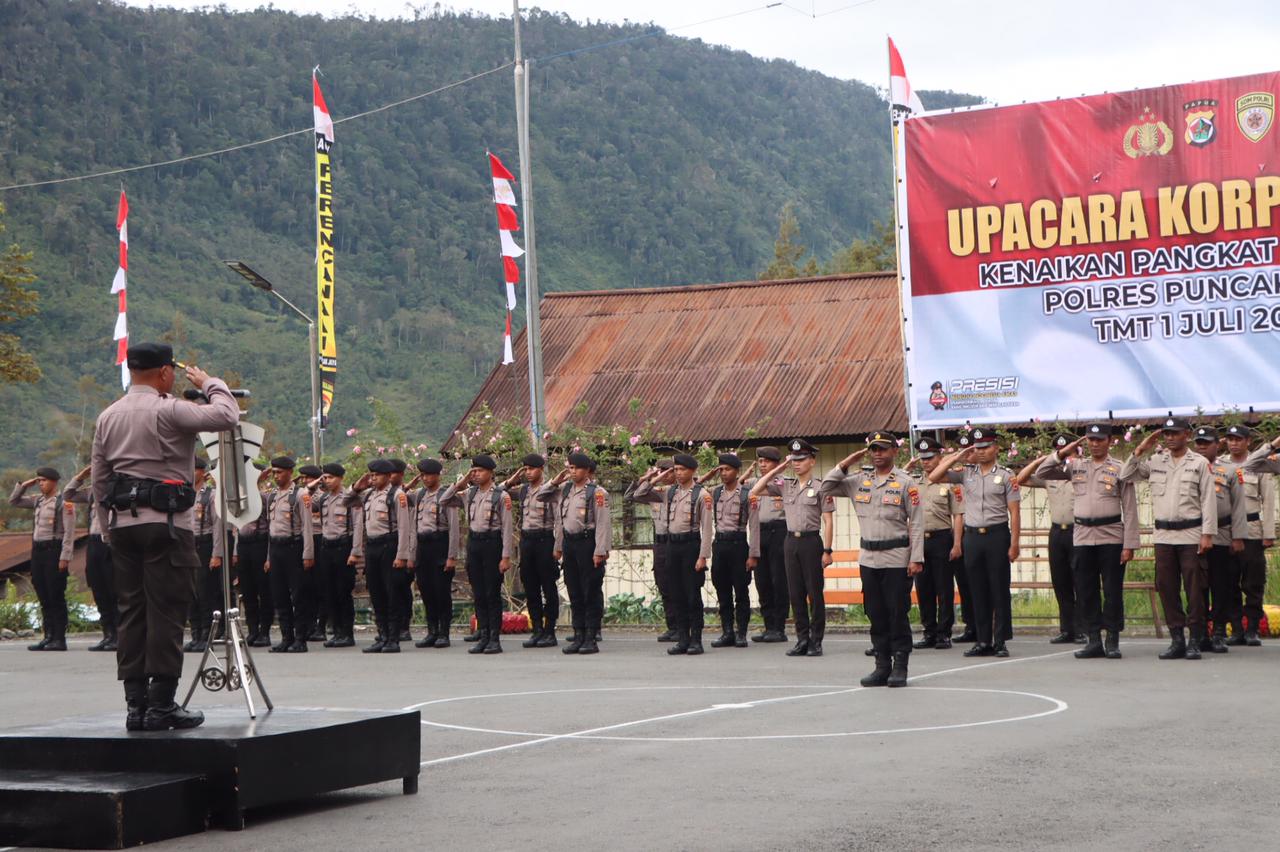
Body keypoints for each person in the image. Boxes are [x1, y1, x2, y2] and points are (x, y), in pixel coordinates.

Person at [91, 342, 239, 730]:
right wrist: (210, 383)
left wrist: (107, 530)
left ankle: (135, 707)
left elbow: (99, 480)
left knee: (131, 613)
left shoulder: (108, 416)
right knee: (167, 613)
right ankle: (160, 706)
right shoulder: (170, 408)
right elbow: (227, 415)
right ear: (163, 372)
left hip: (123, 527)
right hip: (167, 526)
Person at [822, 432, 924, 687]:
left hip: (896, 558)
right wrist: (847, 462)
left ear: (894, 452)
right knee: (875, 612)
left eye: (882, 449)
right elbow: (825, 487)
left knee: (896, 613)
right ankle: (881, 665)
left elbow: (917, 523)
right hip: (869, 558)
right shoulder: (859, 481)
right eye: (873, 449)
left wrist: (916, 558)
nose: (877, 454)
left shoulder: (905, 482)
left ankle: (900, 665)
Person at [1034, 424, 1139, 659]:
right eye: (1091, 439)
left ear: (1109, 440)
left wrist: (1129, 544)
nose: (1095, 443)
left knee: (1112, 591)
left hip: (1111, 536)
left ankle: (1112, 639)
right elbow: (1042, 472)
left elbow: (1130, 508)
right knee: (1086, 590)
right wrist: (1062, 452)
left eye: (1099, 439)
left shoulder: (1119, 468)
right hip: (1082, 537)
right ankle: (1093, 639)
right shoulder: (1076, 466)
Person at [1119, 418, 1216, 660]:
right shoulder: (1155, 461)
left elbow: (1208, 500)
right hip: (1163, 536)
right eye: (1167, 434)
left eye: (1175, 433)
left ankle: (1195, 639)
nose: (1170, 438)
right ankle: (1177, 639)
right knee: (1166, 587)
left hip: (1191, 534)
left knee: (1195, 589)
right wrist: (1141, 449)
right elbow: (1125, 474)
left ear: (1186, 435)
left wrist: (1207, 534)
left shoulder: (1199, 463)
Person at [928, 428, 1021, 658]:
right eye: (977, 448)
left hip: (997, 535)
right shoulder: (966, 473)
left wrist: (1014, 544)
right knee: (977, 589)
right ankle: (983, 640)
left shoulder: (1006, 475)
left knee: (999, 589)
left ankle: (1000, 641)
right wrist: (958, 456)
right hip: (972, 538)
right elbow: (934, 476)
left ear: (996, 448)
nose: (980, 451)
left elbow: (1014, 512)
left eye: (985, 447)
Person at [749, 438, 835, 657]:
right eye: (794, 460)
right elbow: (756, 490)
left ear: (812, 461)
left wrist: (827, 550)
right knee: (795, 593)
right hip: (790, 541)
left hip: (811, 542)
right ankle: (802, 639)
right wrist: (779, 468)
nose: (797, 464)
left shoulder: (821, 487)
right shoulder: (786, 485)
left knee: (814, 593)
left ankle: (816, 641)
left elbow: (828, 521)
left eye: (801, 459)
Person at [642, 453, 714, 655]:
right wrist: (654, 477)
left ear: (692, 471)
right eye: (676, 470)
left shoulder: (701, 494)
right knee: (676, 594)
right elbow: (640, 493)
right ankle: (682, 639)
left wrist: (703, 556)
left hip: (691, 545)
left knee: (692, 595)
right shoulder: (669, 492)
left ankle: (696, 640)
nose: (678, 473)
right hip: (671, 546)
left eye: (682, 469)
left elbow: (707, 528)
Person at [539, 453, 611, 654]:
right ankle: (578, 634)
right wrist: (554, 481)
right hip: (569, 544)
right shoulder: (564, 489)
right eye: (570, 467)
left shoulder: (597, 493)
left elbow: (603, 524)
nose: (572, 471)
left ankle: (591, 637)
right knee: (574, 591)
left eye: (576, 468)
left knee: (590, 591)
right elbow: (541, 496)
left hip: (588, 544)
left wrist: (600, 550)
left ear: (587, 471)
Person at [1015, 436, 1084, 644]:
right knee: (1060, 582)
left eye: (1068, 452)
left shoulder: (1083, 473)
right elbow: (1021, 479)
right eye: (1060, 452)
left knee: (1080, 581)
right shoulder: (1050, 476)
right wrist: (1041, 460)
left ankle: (1083, 629)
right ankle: (1067, 629)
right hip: (1057, 533)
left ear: (1078, 452)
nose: (1064, 456)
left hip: (1079, 531)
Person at [442, 455, 513, 654]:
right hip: (474, 544)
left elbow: (507, 528)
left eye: (480, 471)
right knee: (479, 593)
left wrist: (506, 556)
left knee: (492, 593)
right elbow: (444, 500)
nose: (476, 474)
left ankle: (494, 639)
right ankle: (483, 636)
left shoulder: (501, 496)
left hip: (492, 544)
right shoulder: (469, 493)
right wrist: (462, 482)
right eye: (473, 471)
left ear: (490, 472)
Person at [1191, 426, 1246, 654]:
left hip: (1221, 534)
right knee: (1197, 586)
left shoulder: (1230, 470)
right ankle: (1201, 633)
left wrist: (1238, 537)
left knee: (1220, 585)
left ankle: (1219, 632)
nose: (1202, 447)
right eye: (1199, 443)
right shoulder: (1189, 466)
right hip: (1193, 534)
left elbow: (1238, 506)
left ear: (1217, 444)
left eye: (1207, 443)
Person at [906, 437, 963, 650]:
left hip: (942, 538)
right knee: (924, 588)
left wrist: (957, 544)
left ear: (940, 457)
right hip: (920, 539)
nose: (926, 462)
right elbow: (895, 479)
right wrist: (908, 466)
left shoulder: (950, 481)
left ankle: (944, 633)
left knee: (944, 588)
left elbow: (958, 514)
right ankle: (928, 632)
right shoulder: (913, 481)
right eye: (923, 459)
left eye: (930, 458)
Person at [10, 466, 74, 652]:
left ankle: (59, 639)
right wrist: (23, 485)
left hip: (54, 551)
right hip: (38, 551)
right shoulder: (38, 500)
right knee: (43, 594)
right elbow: (14, 501)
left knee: (55, 595)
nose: (40, 484)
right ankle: (48, 636)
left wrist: (65, 557)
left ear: (54, 482)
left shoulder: (63, 503)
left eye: (44, 480)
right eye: (38, 481)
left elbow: (69, 533)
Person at [352, 459, 410, 653]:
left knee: (391, 593)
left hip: (389, 545)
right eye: (371, 475)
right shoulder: (368, 494)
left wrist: (402, 555)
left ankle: (393, 639)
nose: (373, 478)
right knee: (376, 593)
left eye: (376, 475)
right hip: (372, 546)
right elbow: (347, 501)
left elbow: (404, 527)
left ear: (387, 476)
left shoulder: (397, 495)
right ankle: (382, 636)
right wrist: (356, 488)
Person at [504, 454, 561, 647]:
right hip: (527, 541)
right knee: (530, 586)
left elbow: (559, 520)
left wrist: (558, 546)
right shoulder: (523, 491)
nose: (528, 472)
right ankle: (537, 629)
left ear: (541, 469)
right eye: (525, 469)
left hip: (545, 539)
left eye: (531, 469)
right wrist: (512, 480)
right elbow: (499, 492)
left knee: (548, 586)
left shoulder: (551, 490)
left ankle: (549, 630)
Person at [262, 457, 316, 653]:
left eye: (280, 472)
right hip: (276, 549)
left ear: (290, 473)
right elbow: (271, 529)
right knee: (279, 595)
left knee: (298, 595)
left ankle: (300, 639)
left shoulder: (300, 495)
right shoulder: (272, 496)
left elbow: (307, 527)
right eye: (274, 472)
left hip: (294, 547)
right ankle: (286, 638)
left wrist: (308, 554)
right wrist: (269, 557)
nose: (276, 476)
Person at [404, 458, 460, 648]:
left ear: (437, 475)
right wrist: (412, 555)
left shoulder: (446, 496)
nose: (425, 478)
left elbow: (454, 529)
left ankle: (444, 633)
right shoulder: (419, 495)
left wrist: (451, 556)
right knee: (426, 590)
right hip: (423, 547)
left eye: (428, 475)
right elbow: (401, 497)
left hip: (440, 544)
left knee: (441, 591)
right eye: (422, 475)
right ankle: (432, 631)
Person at [63, 466, 118, 652]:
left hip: (111, 542)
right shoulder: (92, 491)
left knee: (114, 589)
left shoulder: (117, 488)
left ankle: (119, 636)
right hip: (93, 542)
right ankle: (108, 635)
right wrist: (80, 476)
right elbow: (68, 495)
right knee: (98, 588)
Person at [627, 459, 679, 642]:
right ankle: (672, 627)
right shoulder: (655, 493)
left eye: (668, 471)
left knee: (678, 585)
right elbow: (632, 496)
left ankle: (683, 626)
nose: (664, 475)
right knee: (663, 584)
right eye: (660, 471)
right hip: (660, 544)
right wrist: (647, 479)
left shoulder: (680, 491)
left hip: (676, 542)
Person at [709, 453, 756, 648]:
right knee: (722, 590)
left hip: (738, 544)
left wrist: (753, 554)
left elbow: (754, 526)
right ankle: (727, 632)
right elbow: (693, 486)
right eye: (720, 469)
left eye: (727, 469)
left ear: (737, 471)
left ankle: (741, 633)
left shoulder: (746, 494)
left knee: (741, 590)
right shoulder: (715, 493)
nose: (723, 473)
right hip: (720, 545)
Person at [1237, 427, 1277, 644]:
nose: (1234, 443)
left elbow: (1268, 501)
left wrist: (1268, 533)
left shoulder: (1260, 465)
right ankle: (1235, 628)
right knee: (1227, 582)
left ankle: (1252, 628)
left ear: (1248, 441)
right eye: (1230, 439)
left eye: (1238, 439)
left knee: (1253, 582)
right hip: (1226, 532)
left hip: (1252, 530)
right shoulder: (1220, 464)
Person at [311, 462, 359, 648]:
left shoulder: (350, 498)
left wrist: (355, 552)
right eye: (325, 477)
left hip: (343, 547)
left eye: (331, 477)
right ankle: (337, 632)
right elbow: (306, 501)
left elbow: (357, 526)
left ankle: (347, 633)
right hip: (326, 547)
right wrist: (313, 485)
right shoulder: (323, 498)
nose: (327, 481)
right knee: (329, 592)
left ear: (341, 478)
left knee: (343, 592)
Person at [745, 447, 789, 643]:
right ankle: (769, 625)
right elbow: (738, 485)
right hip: (759, 532)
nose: (762, 465)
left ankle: (779, 627)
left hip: (779, 531)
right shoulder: (753, 483)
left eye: (767, 461)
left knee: (778, 580)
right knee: (762, 581)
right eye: (760, 461)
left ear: (777, 464)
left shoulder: (784, 483)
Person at [232, 463, 272, 647]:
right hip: (244, 545)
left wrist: (269, 556)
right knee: (247, 591)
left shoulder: (265, 497)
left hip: (260, 544)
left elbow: (271, 527)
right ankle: (253, 630)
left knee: (264, 590)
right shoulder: (240, 498)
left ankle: (265, 631)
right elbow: (236, 526)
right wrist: (235, 551)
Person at [298, 464, 330, 643]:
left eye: (308, 478)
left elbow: (312, 504)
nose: (304, 481)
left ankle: (321, 626)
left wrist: (311, 487)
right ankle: (309, 625)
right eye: (302, 478)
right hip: (304, 540)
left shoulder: (321, 496)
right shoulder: (300, 494)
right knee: (305, 586)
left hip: (318, 539)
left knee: (320, 585)